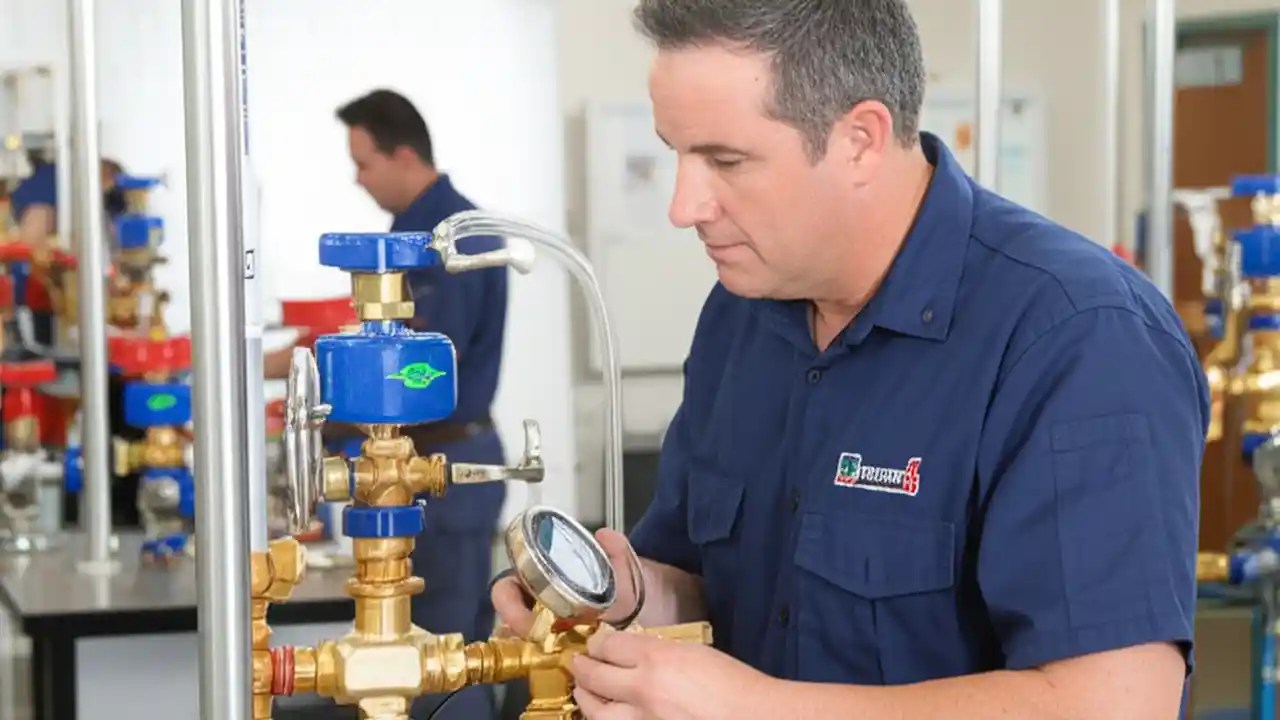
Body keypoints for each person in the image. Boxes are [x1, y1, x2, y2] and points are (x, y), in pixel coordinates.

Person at [493, 1, 1206, 718]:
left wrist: (760, 711)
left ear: (861, 139)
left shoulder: (1077, 336)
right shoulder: (743, 313)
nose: (684, 205)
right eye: (674, 153)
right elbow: (716, 584)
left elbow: (1113, 702)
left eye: (725, 160)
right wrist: (628, 596)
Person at [332, 88, 509, 720]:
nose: (358, 179)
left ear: (403, 153)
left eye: (364, 163)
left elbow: (422, 371)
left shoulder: (446, 237)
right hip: (434, 465)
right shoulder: (416, 231)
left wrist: (329, 419)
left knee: (444, 657)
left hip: (445, 469)